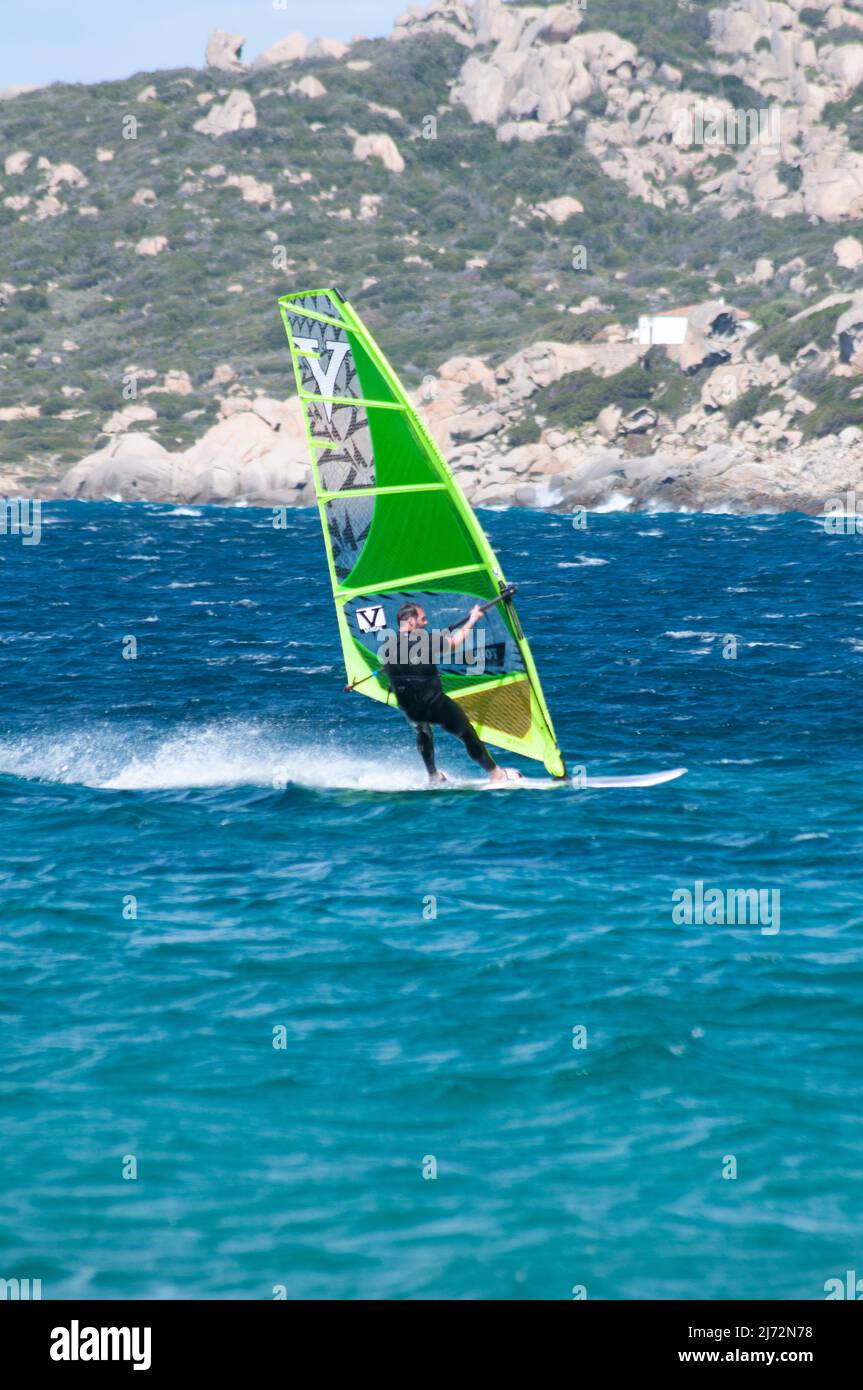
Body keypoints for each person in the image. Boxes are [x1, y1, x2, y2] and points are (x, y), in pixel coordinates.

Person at [382, 601, 519, 785]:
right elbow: (454, 643)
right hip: (435, 706)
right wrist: (472, 619)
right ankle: (496, 774)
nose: (426, 622)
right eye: (423, 619)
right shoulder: (425, 641)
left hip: (410, 708)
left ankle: (433, 775)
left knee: (423, 731)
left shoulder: (387, 647)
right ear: (411, 622)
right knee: (467, 735)